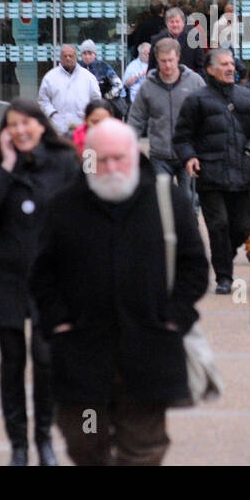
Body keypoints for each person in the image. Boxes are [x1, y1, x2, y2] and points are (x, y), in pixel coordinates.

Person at [31, 119, 209, 466]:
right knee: (85, 442)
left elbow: (194, 267)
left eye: (119, 158)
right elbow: (42, 273)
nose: (111, 167)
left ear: (134, 154)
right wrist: (58, 321)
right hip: (83, 357)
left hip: (148, 353)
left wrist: (174, 318)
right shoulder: (65, 205)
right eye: (102, 159)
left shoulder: (166, 199)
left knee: (143, 448)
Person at [0, 99, 80, 467]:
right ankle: (18, 444)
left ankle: (44, 438)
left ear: (39, 124)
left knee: (45, 358)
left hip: (51, 281)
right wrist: (6, 166)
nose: (20, 131)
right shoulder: (0, 166)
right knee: (12, 361)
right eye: (12, 125)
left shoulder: (65, 162)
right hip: (7, 278)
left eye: (26, 123)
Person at [174, 47, 250, 294]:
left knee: (241, 227)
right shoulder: (196, 100)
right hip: (211, 175)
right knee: (218, 225)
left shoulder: (246, 98)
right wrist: (190, 157)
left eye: (232, 64)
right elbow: (182, 137)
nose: (230, 68)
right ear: (210, 69)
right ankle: (224, 278)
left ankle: (223, 256)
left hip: (243, 174)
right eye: (224, 64)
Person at [127, 37, 206, 186]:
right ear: (157, 59)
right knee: (163, 201)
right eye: (163, 61)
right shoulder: (147, 86)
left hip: (189, 153)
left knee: (188, 200)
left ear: (178, 57)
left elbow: (208, 114)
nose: (168, 65)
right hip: (160, 154)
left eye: (171, 60)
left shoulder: (195, 82)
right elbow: (136, 118)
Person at [39, 44, 100, 135]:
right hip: (58, 128)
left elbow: (96, 100)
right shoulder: (50, 77)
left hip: (82, 127)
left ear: (76, 57)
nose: (68, 58)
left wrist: (90, 117)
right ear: (60, 58)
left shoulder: (88, 77)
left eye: (70, 56)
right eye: (65, 56)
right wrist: (52, 113)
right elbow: (43, 100)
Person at [151, 5, 206, 73]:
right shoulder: (157, 40)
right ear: (166, 23)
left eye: (177, 21)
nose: (175, 25)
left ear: (183, 23)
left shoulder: (195, 39)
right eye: (172, 22)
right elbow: (152, 67)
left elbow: (201, 66)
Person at [79, 39, 124, 117]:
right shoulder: (77, 68)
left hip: (102, 110)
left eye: (90, 53)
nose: (87, 56)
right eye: (84, 53)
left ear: (95, 54)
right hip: (82, 109)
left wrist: (106, 98)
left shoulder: (104, 67)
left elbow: (118, 85)